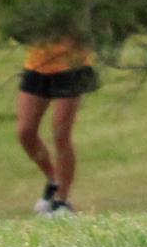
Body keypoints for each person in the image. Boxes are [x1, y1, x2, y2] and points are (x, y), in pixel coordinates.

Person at [16, 37, 96, 216]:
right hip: (37, 64)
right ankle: (54, 182)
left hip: (73, 66)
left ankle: (61, 201)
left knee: (60, 133)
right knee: (25, 132)